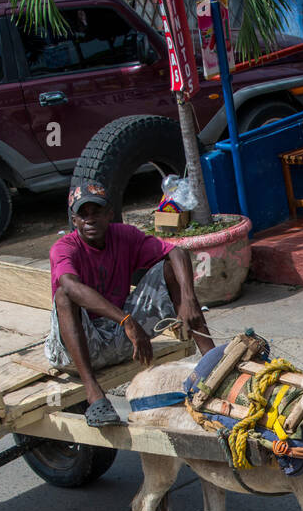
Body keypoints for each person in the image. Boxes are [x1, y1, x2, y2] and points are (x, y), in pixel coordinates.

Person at [46, 182, 214, 427]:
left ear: (109, 214)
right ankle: (94, 395)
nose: (90, 220)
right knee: (63, 294)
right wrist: (126, 320)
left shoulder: (123, 236)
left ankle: (213, 361)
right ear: (75, 219)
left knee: (170, 267)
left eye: (97, 212)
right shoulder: (64, 248)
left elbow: (175, 252)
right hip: (78, 351)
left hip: (121, 338)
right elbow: (71, 287)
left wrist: (187, 298)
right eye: (83, 214)